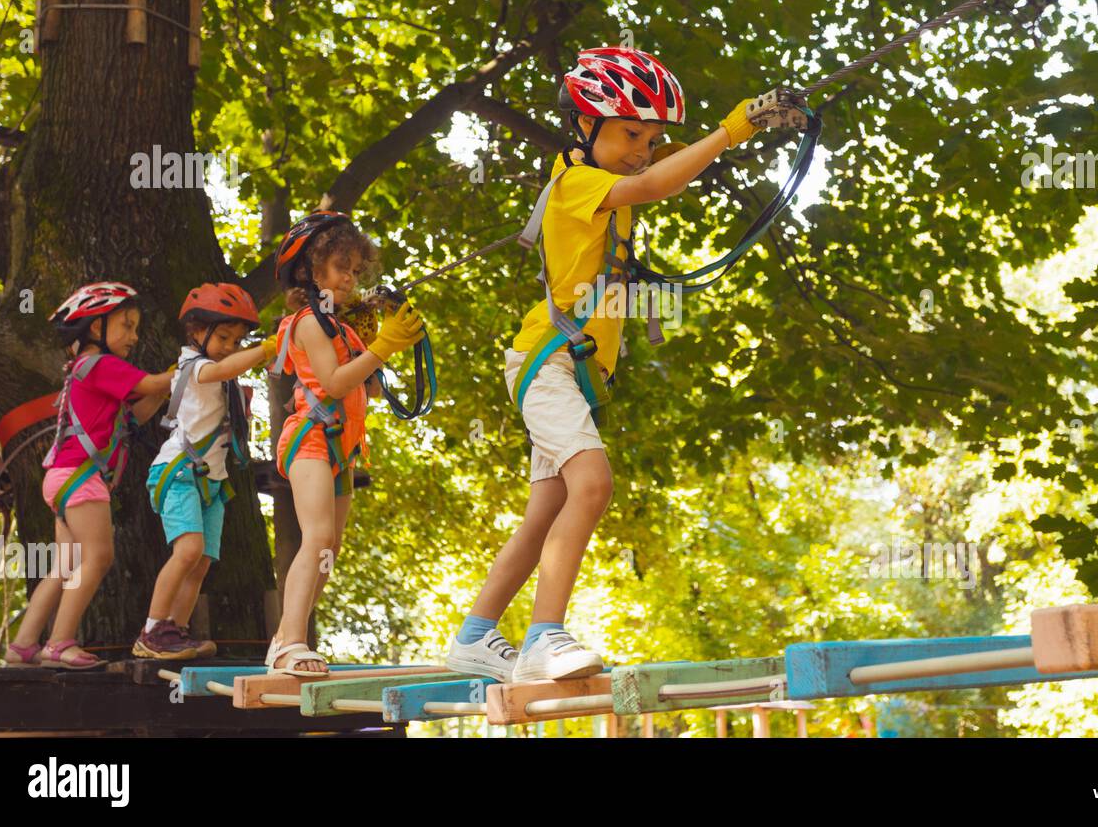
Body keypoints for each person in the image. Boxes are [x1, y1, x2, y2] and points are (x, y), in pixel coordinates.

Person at [447, 47, 767, 682]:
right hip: (548, 365)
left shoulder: (604, 190)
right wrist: (734, 130)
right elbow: (653, 184)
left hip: (572, 372)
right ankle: (545, 637)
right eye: (630, 133)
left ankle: (475, 635)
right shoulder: (577, 183)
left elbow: (643, 191)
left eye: (651, 139)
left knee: (546, 513)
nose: (641, 150)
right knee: (593, 485)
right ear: (585, 126)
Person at [267, 211, 426, 676]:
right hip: (311, 439)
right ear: (312, 272)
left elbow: (368, 388)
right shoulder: (308, 323)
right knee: (316, 536)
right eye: (342, 268)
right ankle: (292, 641)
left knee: (327, 551)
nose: (351, 279)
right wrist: (383, 349)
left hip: (342, 447)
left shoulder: (343, 328)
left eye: (356, 271)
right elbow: (335, 384)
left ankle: (283, 637)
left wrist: (381, 337)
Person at [5, 283, 174, 668]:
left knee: (65, 564)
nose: (134, 336)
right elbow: (148, 383)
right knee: (98, 556)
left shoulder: (88, 371)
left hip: (63, 476)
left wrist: (164, 388)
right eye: (127, 326)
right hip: (81, 477)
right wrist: (183, 372)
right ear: (95, 328)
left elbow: (138, 413)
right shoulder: (99, 364)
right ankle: (60, 643)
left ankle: (24, 644)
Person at [133, 282, 275, 660]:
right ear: (196, 332)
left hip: (211, 479)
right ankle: (151, 630)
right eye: (224, 336)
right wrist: (266, 348)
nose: (230, 346)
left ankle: (175, 631)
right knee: (188, 550)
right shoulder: (192, 366)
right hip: (178, 470)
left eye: (237, 339)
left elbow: (230, 366)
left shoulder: (220, 370)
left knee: (202, 561)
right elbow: (225, 367)